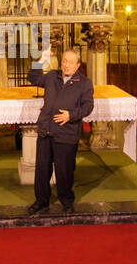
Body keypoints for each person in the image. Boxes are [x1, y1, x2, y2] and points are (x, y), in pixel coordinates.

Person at [26, 46, 94, 215]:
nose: (66, 65)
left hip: (66, 132)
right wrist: (41, 60)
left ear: (78, 65)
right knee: (42, 169)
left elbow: (88, 106)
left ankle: (66, 201)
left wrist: (71, 115)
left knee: (64, 170)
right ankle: (41, 201)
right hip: (46, 129)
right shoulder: (51, 76)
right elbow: (32, 78)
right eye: (64, 61)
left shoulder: (84, 83)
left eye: (71, 62)